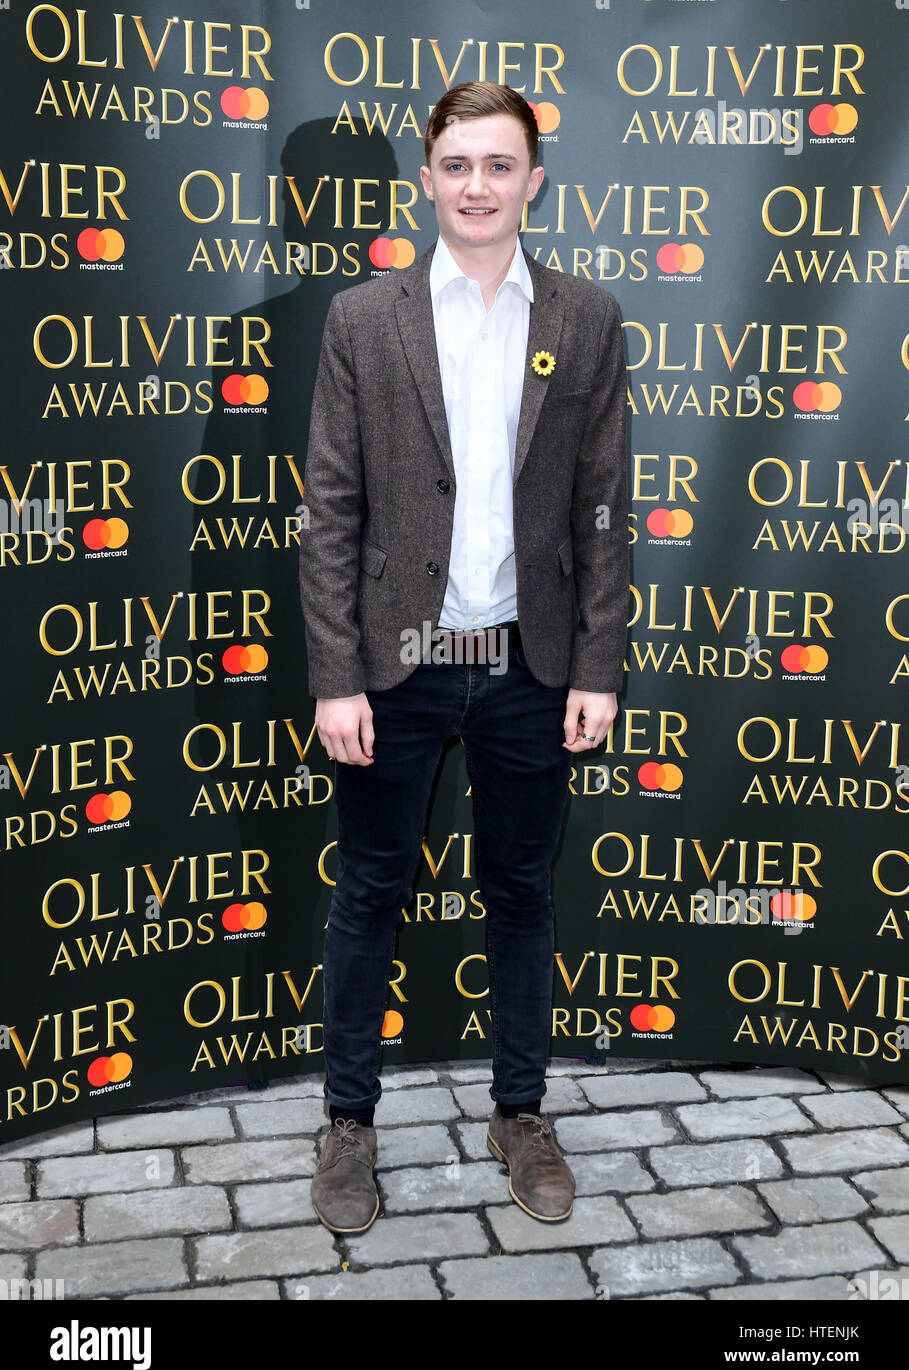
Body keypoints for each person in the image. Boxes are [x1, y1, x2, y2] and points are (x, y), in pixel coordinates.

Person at [298, 79, 629, 1234]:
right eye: (458, 165)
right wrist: (336, 675)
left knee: (522, 893)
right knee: (372, 891)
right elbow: (330, 509)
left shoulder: (586, 318)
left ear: (534, 181)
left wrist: (596, 665)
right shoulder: (360, 319)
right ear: (427, 180)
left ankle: (520, 1111)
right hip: (398, 664)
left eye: (500, 165)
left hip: (532, 666)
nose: (478, 186)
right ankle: (347, 1124)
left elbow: (602, 508)